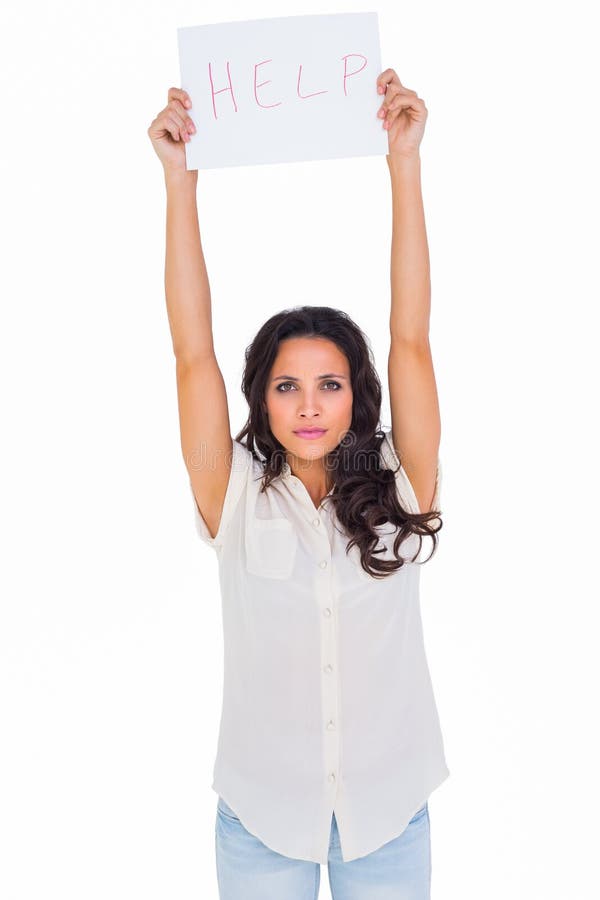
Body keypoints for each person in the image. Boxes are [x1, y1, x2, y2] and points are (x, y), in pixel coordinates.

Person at [147, 66, 449, 900]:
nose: (309, 406)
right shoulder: (232, 490)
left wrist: (404, 163)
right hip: (262, 820)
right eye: (286, 386)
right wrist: (180, 183)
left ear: (359, 393)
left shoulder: (400, 480)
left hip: (387, 817)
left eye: (329, 384)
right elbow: (192, 351)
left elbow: (412, 336)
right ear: (262, 399)